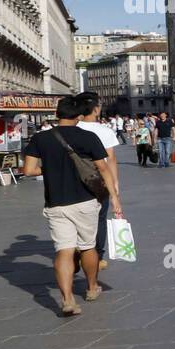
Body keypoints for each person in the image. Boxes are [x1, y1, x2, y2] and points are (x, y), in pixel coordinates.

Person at [20, 94, 123, 316]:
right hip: (85, 200)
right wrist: (114, 197)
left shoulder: (40, 138)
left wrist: (50, 169)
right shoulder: (88, 137)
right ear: (78, 115)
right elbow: (103, 168)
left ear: (57, 115)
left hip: (56, 202)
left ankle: (67, 300)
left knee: (64, 251)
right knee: (87, 246)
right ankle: (92, 287)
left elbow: (28, 171)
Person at [75, 93, 119, 271]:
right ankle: (98, 256)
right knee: (100, 219)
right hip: (100, 181)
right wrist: (115, 184)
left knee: (78, 217)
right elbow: (111, 160)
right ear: (95, 109)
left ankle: (80, 249)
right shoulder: (104, 130)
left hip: (76, 180)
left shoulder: (72, 128)